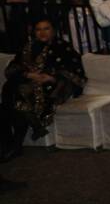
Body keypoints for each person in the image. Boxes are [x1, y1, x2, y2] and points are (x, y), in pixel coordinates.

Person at [0, 17, 86, 161]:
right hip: (26, 83)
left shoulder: (62, 47)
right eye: (39, 29)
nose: (42, 33)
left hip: (50, 86)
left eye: (46, 28)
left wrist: (52, 78)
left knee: (16, 100)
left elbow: (75, 71)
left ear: (53, 31)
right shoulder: (27, 47)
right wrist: (28, 74)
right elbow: (11, 69)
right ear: (34, 32)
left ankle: (14, 146)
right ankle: (10, 145)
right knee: (8, 100)